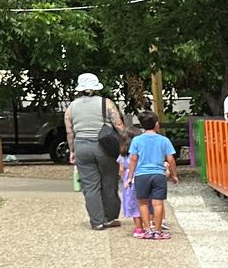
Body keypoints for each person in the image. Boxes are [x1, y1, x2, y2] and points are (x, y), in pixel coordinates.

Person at [65, 72, 128, 230]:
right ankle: (110, 217)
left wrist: (72, 150)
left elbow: (69, 131)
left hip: (81, 147)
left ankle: (97, 221)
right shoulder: (106, 103)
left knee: (90, 186)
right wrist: (127, 142)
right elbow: (118, 125)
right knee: (109, 182)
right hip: (104, 147)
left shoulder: (71, 107)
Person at [126, 110, 178, 239]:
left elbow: (133, 159)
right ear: (156, 124)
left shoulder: (137, 140)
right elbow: (171, 159)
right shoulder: (164, 140)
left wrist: (130, 177)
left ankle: (148, 230)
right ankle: (158, 231)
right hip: (158, 174)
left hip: (141, 175)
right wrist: (174, 174)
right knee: (158, 203)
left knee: (143, 203)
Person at [116, 144, 141, 231]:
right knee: (144, 202)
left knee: (133, 203)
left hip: (128, 179)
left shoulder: (122, 155)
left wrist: (124, 179)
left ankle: (138, 228)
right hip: (140, 175)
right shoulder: (139, 153)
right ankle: (148, 225)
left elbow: (121, 170)